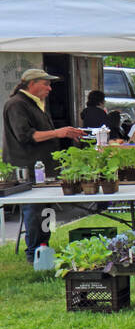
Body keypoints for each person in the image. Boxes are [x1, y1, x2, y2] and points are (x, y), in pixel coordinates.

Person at [3, 68, 83, 262]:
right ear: (32, 84)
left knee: (46, 210)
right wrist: (58, 133)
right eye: (46, 84)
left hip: (44, 167)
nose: (49, 88)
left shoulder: (35, 104)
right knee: (34, 210)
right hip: (28, 167)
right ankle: (33, 253)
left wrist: (65, 134)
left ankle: (43, 247)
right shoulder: (16, 104)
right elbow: (25, 135)